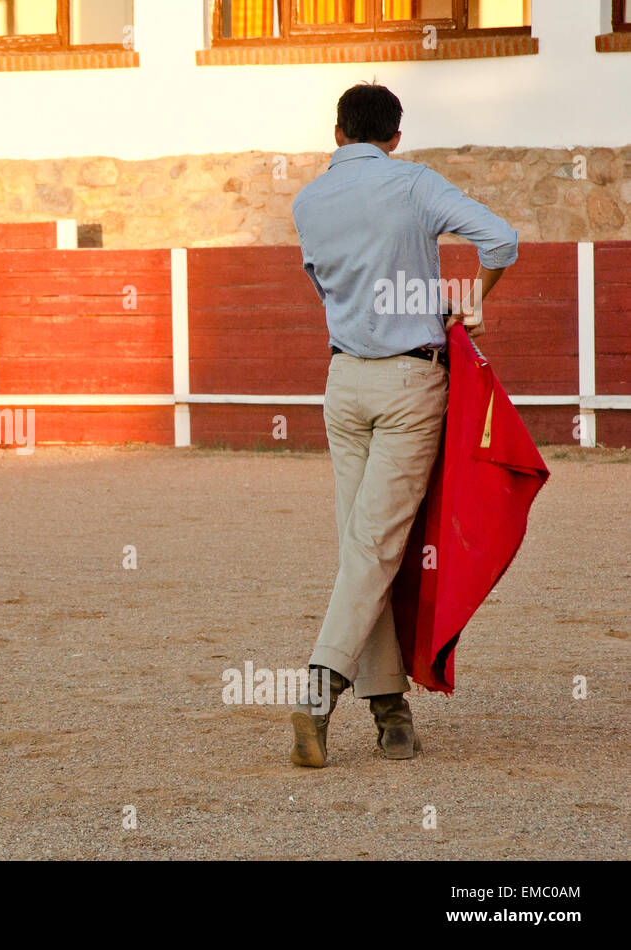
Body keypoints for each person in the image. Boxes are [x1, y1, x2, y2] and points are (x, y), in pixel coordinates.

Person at [288, 83, 518, 768]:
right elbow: (500, 239)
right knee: (376, 547)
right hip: (409, 381)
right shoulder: (412, 183)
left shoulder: (307, 200)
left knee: (365, 544)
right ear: (394, 136)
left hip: (342, 382)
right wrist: (473, 297)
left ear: (336, 134)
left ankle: (390, 709)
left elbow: (325, 289)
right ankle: (318, 690)